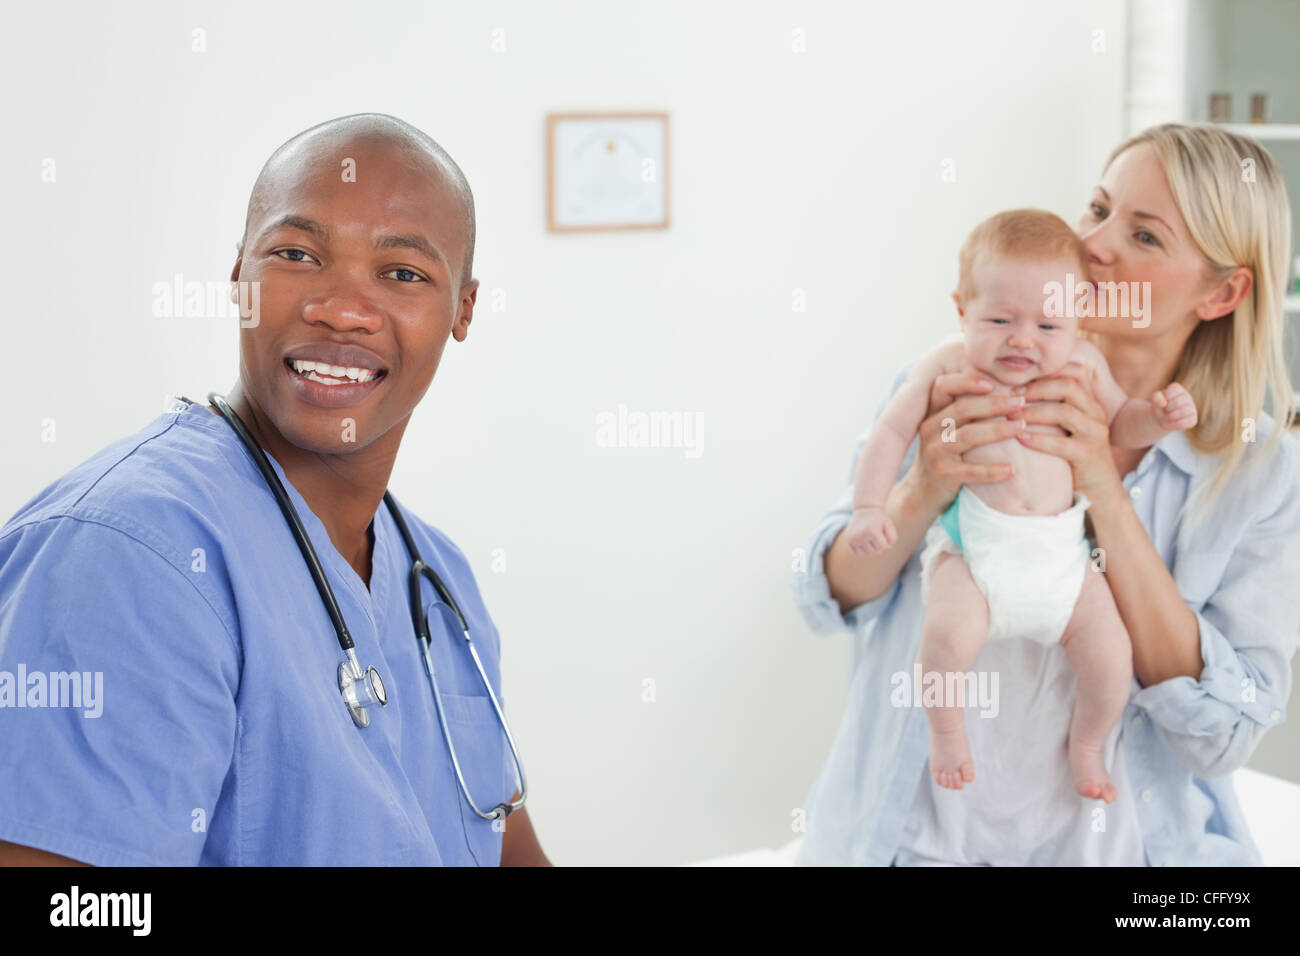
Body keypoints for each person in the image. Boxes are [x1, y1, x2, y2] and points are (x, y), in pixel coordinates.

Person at [0, 113, 549, 866]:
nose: (341, 308)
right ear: (239, 279)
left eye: (403, 273)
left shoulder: (438, 582)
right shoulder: (125, 559)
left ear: (462, 309)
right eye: (297, 254)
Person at [793, 123, 1300, 866]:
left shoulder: (1260, 471)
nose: (1094, 244)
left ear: (1222, 292)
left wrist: (1104, 488)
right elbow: (827, 597)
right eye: (1097, 209)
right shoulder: (958, 379)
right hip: (913, 844)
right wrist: (922, 488)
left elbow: (1221, 735)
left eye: (1145, 236)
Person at [845, 209, 1197, 804]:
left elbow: (1122, 421)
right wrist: (868, 508)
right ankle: (948, 734)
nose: (1022, 340)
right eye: (1001, 319)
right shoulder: (947, 364)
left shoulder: (1085, 365)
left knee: (1111, 662)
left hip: (1065, 563)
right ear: (962, 310)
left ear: (1079, 318)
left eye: (1047, 325)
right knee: (943, 643)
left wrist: (1157, 418)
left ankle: (1088, 745)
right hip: (976, 556)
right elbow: (889, 433)